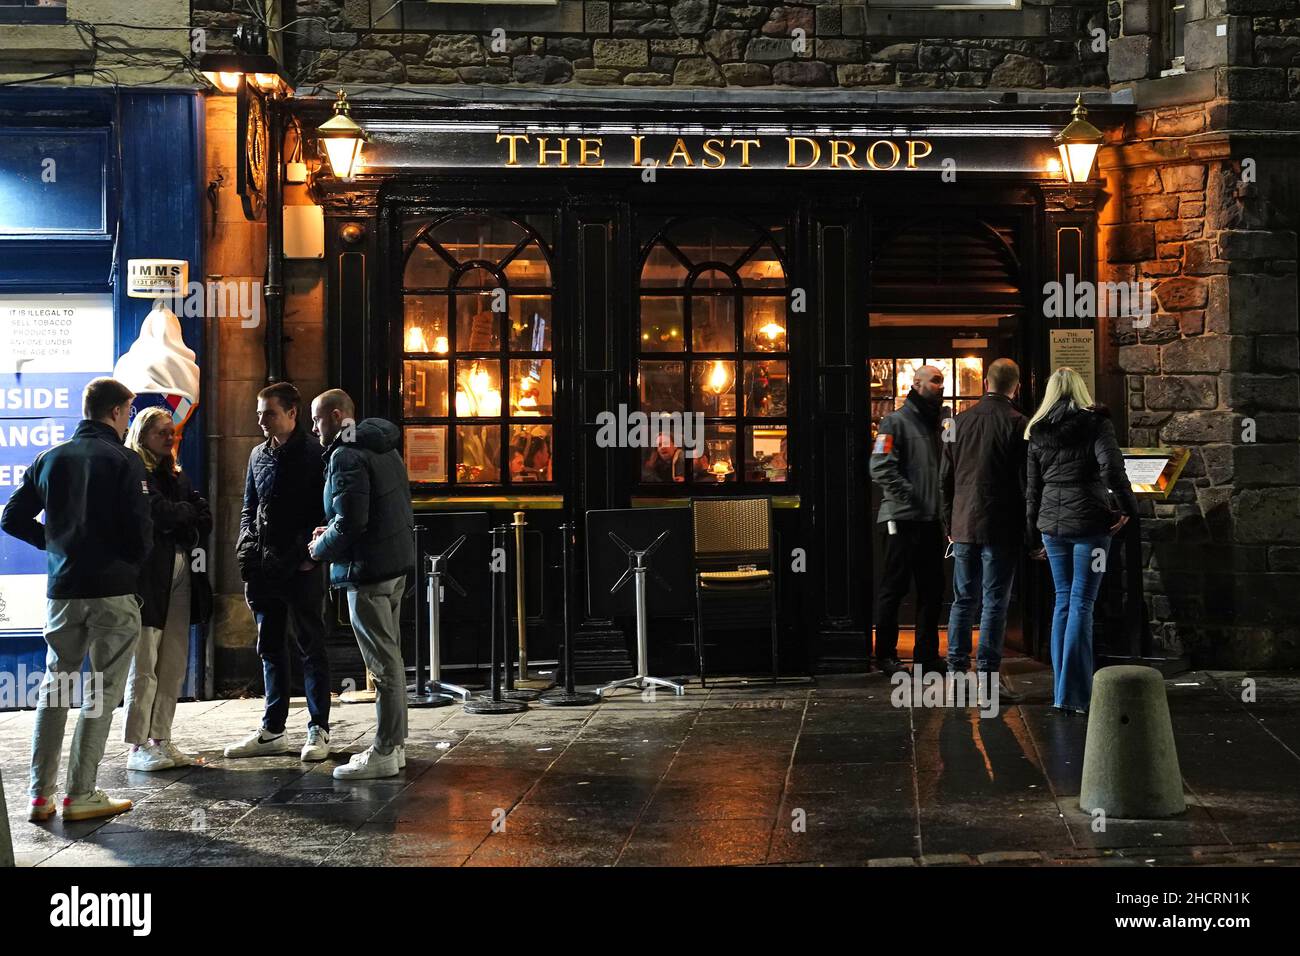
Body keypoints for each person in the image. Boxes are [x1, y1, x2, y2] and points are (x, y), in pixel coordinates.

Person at [2, 378, 152, 822]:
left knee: (56, 689)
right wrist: (125, 564)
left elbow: (12, 517)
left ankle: (38, 796)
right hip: (111, 592)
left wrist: (57, 545)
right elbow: (141, 534)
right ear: (117, 412)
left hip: (64, 592)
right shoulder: (125, 460)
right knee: (102, 693)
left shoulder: (50, 458)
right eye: (127, 412)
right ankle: (80, 793)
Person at [308, 389, 416, 780]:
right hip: (393, 566)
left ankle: (386, 750)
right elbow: (371, 509)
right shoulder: (383, 446)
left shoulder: (345, 455)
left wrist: (319, 547)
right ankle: (396, 745)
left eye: (318, 418)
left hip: (367, 572)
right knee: (392, 659)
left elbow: (352, 522)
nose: (314, 427)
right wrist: (334, 525)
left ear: (337, 415)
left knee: (382, 665)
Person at [225, 382, 332, 761]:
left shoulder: (315, 455)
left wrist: (311, 557)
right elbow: (248, 508)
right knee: (270, 647)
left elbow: (325, 513)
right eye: (259, 412)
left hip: (300, 566)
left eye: (268, 412)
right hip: (264, 568)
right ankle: (273, 729)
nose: (260, 419)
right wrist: (246, 553)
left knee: (310, 646)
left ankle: (318, 728)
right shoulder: (257, 454)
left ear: (291, 413)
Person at [1025, 367, 1138, 714]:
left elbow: (1032, 489)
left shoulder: (1037, 431)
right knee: (1083, 602)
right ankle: (1075, 694)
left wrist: (1033, 534)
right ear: (1081, 391)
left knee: (1063, 600)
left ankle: (1062, 691)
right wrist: (1127, 508)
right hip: (1090, 521)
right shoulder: (1096, 424)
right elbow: (1112, 470)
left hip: (1051, 524)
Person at [122, 407, 213, 770]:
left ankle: (163, 737)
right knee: (144, 662)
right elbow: (157, 513)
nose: (170, 437)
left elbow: (201, 514)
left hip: (179, 569)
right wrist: (182, 514)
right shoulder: (135, 471)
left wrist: (181, 516)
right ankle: (137, 744)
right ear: (143, 434)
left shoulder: (174, 473)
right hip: (149, 576)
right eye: (162, 432)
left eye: (172, 432)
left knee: (173, 660)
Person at [940, 358, 1029, 692]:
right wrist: (1030, 530)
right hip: (1002, 524)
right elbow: (1026, 483)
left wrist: (948, 522)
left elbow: (944, 480)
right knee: (995, 602)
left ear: (985, 384)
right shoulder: (1019, 423)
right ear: (1015, 386)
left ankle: (955, 671)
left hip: (963, 523)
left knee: (963, 599)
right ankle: (989, 677)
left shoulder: (956, 423)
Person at [870, 364, 947, 677]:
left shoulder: (941, 423)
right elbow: (879, 466)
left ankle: (927, 656)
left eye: (942, 381)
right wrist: (913, 497)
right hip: (902, 520)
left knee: (932, 591)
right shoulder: (893, 422)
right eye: (936, 380)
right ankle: (885, 655)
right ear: (917, 383)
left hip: (930, 520)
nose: (941, 386)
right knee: (894, 588)